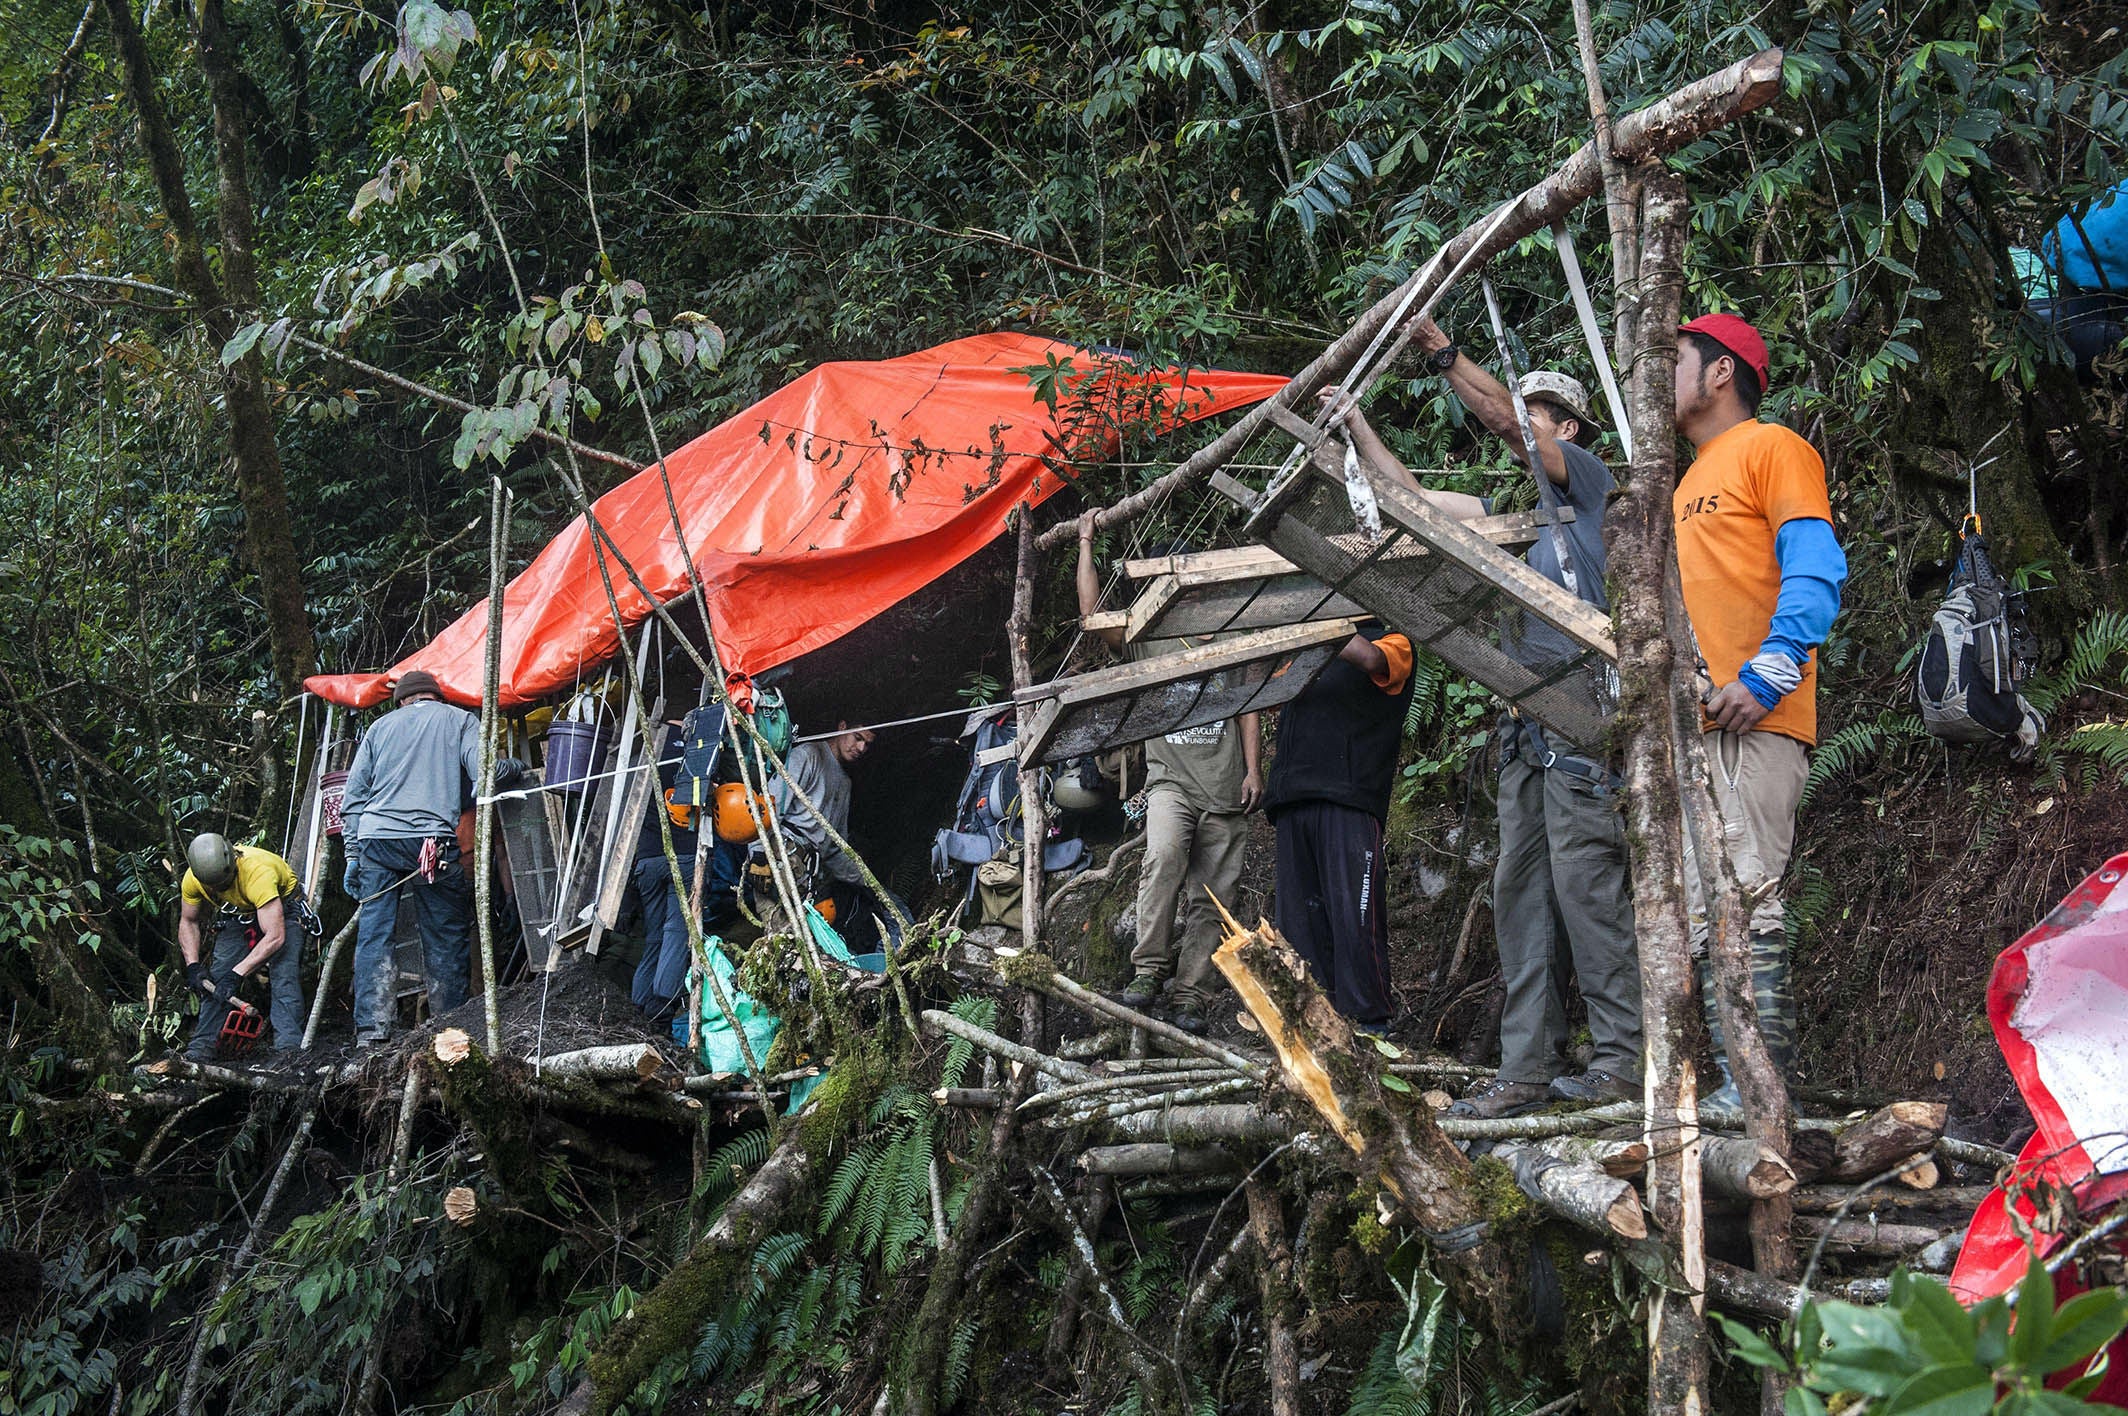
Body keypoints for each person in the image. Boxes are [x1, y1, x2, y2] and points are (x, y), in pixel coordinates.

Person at [1330, 320, 1643, 1117]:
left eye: (1534, 412)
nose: (1516, 422)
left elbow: (1505, 422)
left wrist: (1443, 354)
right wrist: (1357, 428)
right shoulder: (1517, 523)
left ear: (1566, 430)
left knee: (1587, 891)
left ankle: (1622, 1062)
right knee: (1521, 896)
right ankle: (1526, 1070)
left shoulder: (1593, 487)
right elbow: (1413, 506)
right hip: (1526, 733)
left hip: (1584, 724)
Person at [1672, 313, 1848, 1106]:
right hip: (1698, 726)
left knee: (1744, 895)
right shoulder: (1682, 481)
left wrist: (1767, 676)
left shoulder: (1772, 446)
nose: (1655, 374)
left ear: (1720, 372)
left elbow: (1815, 562)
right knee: (1710, 910)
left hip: (1748, 719)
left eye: (1672, 357)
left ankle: (1758, 1090)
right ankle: (1740, 1087)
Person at [1076, 510, 1264, 1033]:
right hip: (1171, 783)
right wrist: (1087, 542)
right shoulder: (1149, 635)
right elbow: (1093, 615)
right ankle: (1147, 972)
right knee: (1161, 854)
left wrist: (1253, 770)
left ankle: (1191, 997)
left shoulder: (1232, 632)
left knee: (1213, 898)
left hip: (1226, 789)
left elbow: (1249, 704)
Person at [340, 669, 522, 1044]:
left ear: (403, 701)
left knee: (375, 934)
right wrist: (516, 768)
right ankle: (449, 1026)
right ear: (437, 697)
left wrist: (353, 853)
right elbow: (484, 773)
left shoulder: (380, 728)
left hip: (377, 840)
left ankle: (372, 1031)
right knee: (445, 932)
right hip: (430, 843)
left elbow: (353, 796)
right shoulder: (459, 720)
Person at [1262, 619, 1417, 1033]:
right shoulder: (1306, 651)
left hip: (1349, 800)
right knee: (1298, 924)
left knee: (1354, 916)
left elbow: (1369, 657)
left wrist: (1316, 620)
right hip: (1294, 798)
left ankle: (1370, 1023)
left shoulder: (1393, 638)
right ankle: (1313, 1023)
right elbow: (1268, 688)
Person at [770, 722, 906, 952]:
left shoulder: (844, 783)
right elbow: (770, 807)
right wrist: (759, 856)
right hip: (782, 856)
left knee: (807, 943)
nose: (861, 748)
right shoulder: (809, 755)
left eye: (867, 744)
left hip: (811, 874)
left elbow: (835, 846)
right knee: (781, 939)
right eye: (857, 737)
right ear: (842, 727)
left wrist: (866, 880)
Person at [178, 834, 307, 1060]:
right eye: (213, 886)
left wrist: (237, 974)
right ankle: (201, 1049)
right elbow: (188, 921)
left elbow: (275, 936)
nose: (217, 889)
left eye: (222, 884)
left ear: (233, 864)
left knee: (283, 975)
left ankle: (288, 1052)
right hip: (240, 916)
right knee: (216, 979)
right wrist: (193, 965)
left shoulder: (258, 873)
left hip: (282, 911)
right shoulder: (194, 878)